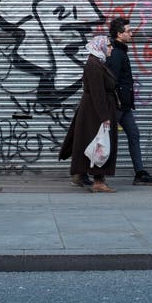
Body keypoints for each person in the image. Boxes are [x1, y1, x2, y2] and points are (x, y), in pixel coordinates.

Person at [59, 35, 118, 193]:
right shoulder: (94, 65)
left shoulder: (97, 62)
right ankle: (98, 181)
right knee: (100, 144)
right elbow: (97, 92)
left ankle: (79, 175)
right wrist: (104, 116)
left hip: (93, 111)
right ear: (100, 47)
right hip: (95, 112)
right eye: (109, 45)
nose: (111, 48)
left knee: (87, 142)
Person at [107, 17, 152, 186]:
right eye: (128, 31)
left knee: (134, 134)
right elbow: (111, 80)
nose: (131, 34)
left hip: (124, 105)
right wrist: (115, 103)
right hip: (117, 105)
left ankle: (140, 173)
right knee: (103, 138)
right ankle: (84, 173)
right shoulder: (116, 53)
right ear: (119, 34)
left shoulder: (121, 51)